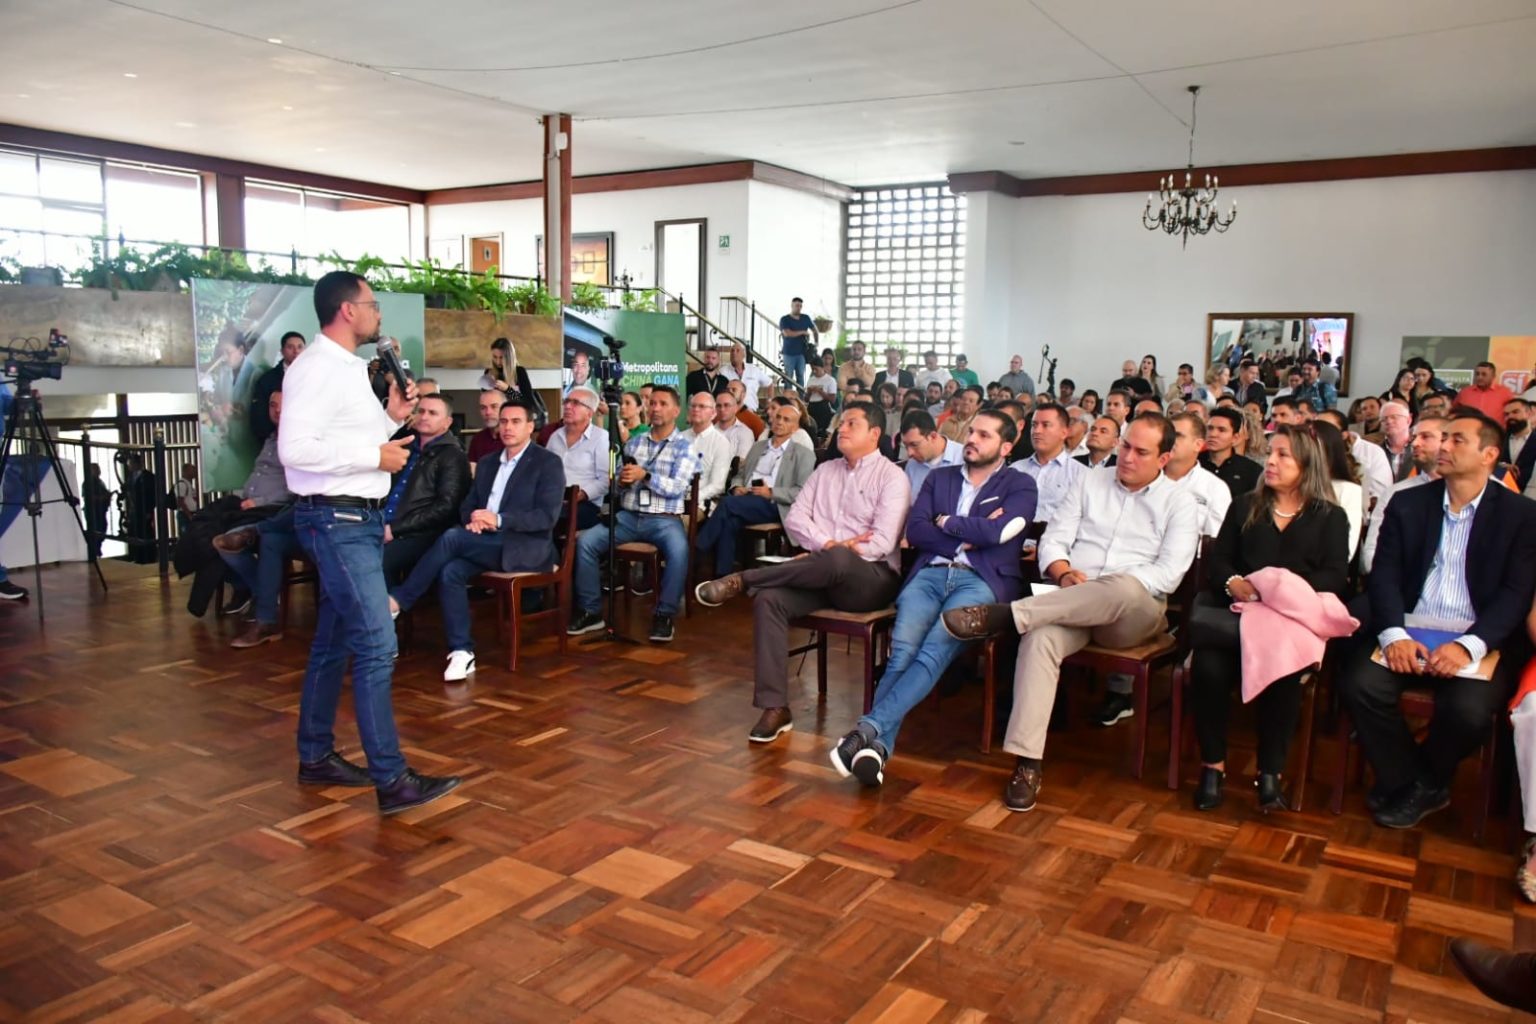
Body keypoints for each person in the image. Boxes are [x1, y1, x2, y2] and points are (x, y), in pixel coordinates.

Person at [939, 416, 1199, 812]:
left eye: (1140, 452)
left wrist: (1100, 587)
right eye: (1125, 445)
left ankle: (1007, 615)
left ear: (1163, 458)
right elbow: (1055, 538)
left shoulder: (1179, 501)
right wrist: (1061, 570)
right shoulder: (1090, 481)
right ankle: (1027, 763)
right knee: (1040, 637)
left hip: (1133, 614)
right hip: (1070, 598)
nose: (1126, 456)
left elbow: (1169, 573)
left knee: (1123, 586)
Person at [277, 270, 460, 815]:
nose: (379, 313)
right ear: (347, 311)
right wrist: (373, 457)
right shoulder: (315, 370)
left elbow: (345, 439)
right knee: (378, 646)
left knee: (334, 644)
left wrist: (389, 421)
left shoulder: (348, 370)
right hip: (335, 520)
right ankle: (392, 779)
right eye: (373, 304)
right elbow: (296, 450)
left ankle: (316, 756)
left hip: (352, 518)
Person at [1340, 411, 1536, 829]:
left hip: (1478, 639)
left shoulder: (1520, 515)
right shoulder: (1409, 503)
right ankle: (1418, 783)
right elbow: (1386, 574)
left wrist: (1468, 645)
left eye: (1457, 439)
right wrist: (1393, 635)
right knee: (1360, 683)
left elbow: (1515, 594)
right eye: (1442, 437)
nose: (1442, 446)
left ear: (1489, 455)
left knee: (1468, 713)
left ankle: (1415, 783)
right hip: (1408, 627)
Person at [828, 410, 1037, 785]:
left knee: (934, 648)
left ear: (1005, 447)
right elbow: (918, 531)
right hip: (928, 576)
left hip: (981, 582)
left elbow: (1001, 532)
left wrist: (948, 522)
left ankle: (866, 731)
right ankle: (874, 748)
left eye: (984, 435)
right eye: (971, 431)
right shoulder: (939, 478)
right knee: (902, 654)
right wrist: (967, 531)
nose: (972, 439)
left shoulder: (1020, 485)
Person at [693, 402, 909, 742]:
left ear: (875, 434)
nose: (842, 429)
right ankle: (775, 708)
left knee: (838, 559)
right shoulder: (825, 472)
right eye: (841, 423)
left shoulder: (892, 476)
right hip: (821, 574)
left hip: (870, 580)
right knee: (769, 600)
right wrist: (829, 544)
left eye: (852, 423)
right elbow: (795, 519)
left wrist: (832, 551)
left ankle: (744, 578)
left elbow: (880, 543)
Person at [1189, 426, 1352, 811]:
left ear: (1307, 466)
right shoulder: (1246, 505)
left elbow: (1336, 575)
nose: (1271, 462)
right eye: (1271, 454)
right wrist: (1235, 583)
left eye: (1284, 456)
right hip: (1238, 617)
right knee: (1209, 669)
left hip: (1290, 621)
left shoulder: (1330, 516)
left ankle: (1270, 772)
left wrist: (1282, 590)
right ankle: (1212, 766)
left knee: (1285, 672)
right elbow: (1221, 560)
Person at [389, 396, 564, 682]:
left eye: (516, 422)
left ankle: (399, 600)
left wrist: (499, 519)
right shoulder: (487, 462)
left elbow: (546, 518)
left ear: (530, 426)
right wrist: (475, 520)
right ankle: (462, 651)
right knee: (451, 570)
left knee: (451, 539)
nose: (508, 427)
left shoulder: (547, 463)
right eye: (504, 421)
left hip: (525, 546)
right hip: (483, 540)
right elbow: (467, 504)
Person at [568, 385, 701, 643]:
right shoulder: (635, 442)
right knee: (585, 543)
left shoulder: (684, 447)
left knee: (679, 551)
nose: (656, 408)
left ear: (676, 411)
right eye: (652, 403)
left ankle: (664, 615)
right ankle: (591, 610)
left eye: (663, 404)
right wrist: (623, 481)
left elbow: (676, 488)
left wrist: (646, 476)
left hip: (664, 520)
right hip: (628, 516)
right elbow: (615, 481)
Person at [695, 401, 815, 575]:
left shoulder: (803, 454)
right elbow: (740, 475)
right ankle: (724, 577)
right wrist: (737, 487)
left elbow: (802, 492)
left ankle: (696, 550)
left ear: (796, 428)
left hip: (775, 504)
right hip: (747, 499)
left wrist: (771, 492)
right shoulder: (759, 447)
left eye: (787, 420)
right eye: (778, 417)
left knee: (727, 504)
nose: (780, 422)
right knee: (729, 521)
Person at [1359, 414, 1445, 573]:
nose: (1415, 443)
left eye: (1426, 437)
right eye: (1414, 437)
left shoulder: (1479, 490)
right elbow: (1372, 555)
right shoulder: (1396, 492)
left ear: (1447, 442)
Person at [545, 386, 609, 531]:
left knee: (548, 519)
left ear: (589, 412)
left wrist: (578, 496)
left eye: (575, 403)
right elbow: (544, 471)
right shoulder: (556, 436)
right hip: (553, 500)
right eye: (566, 401)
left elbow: (605, 481)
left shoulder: (600, 438)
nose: (567, 406)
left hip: (585, 504)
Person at [1011, 403, 1084, 524]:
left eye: (1045, 425)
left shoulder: (1079, 474)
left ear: (1064, 433)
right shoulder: (1015, 470)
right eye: (1034, 425)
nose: (1037, 431)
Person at [1163, 413, 1232, 538]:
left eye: (1178, 435)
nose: (1169, 440)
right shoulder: (1144, 477)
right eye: (1167, 434)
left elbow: (1213, 542)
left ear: (1198, 445)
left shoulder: (1215, 488)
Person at [1316, 409, 1392, 516]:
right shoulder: (1308, 454)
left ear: (1344, 435)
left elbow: (1380, 495)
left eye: (1326, 429)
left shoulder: (1371, 453)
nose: (1318, 433)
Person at [679, 390, 732, 509]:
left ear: (713, 413)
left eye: (702, 406)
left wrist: (692, 497)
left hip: (699, 503)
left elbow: (718, 485)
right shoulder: (679, 438)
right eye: (693, 406)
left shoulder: (721, 443)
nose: (696, 409)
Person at [249, 330, 305, 445]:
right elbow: (259, 416)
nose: (296, 351)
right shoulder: (268, 379)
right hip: (276, 443)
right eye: (290, 347)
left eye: (300, 347)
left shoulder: (314, 376)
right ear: (282, 351)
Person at [899, 409, 964, 502]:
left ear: (933, 436)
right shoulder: (912, 465)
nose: (909, 453)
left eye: (914, 445)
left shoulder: (963, 458)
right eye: (906, 446)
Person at [1200, 408, 1261, 499]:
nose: (1213, 434)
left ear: (1235, 438)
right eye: (1210, 428)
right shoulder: (1192, 463)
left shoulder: (1252, 471)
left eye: (1221, 430)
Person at [722, 342, 775, 412]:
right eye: (732, 351)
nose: (734, 353)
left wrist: (769, 401)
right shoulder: (723, 372)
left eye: (738, 350)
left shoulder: (754, 369)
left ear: (744, 354)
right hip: (731, 412)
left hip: (752, 411)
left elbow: (770, 383)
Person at [777, 298, 816, 386]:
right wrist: (803, 332)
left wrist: (816, 343)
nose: (798, 308)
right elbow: (787, 333)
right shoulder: (784, 319)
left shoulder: (805, 318)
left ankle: (800, 399)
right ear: (792, 306)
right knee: (788, 378)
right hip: (788, 353)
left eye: (800, 306)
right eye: (796, 305)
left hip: (801, 353)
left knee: (801, 377)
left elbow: (814, 329)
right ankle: (788, 398)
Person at [714, 389, 757, 463]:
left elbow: (740, 465)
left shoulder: (745, 433)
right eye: (718, 406)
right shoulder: (708, 431)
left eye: (726, 405)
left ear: (736, 408)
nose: (722, 409)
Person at [467, 390, 505, 465]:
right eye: (483, 407)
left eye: (494, 406)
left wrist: (508, 389)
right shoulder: (477, 439)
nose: (488, 412)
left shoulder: (514, 438)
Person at [805, 356, 839, 434]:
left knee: (821, 432)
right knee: (811, 430)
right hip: (811, 406)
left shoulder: (830, 380)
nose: (814, 371)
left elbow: (833, 399)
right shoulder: (811, 379)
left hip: (823, 407)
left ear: (822, 367)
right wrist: (809, 392)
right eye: (812, 369)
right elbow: (806, 399)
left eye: (816, 369)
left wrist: (820, 392)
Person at [1506, 397, 1536, 488]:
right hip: (1501, 493)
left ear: (1529, 414)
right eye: (1507, 414)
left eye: (1515, 412)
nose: (1510, 416)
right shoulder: (1498, 438)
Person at [174, 462, 199, 533]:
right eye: (192, 469)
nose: (195, 471)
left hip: (189, 514)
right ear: (186, 471)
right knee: (186, 535)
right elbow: (180, 501)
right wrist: (189, 515)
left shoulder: (188, 484)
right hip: (185, 515)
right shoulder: (182, 484)